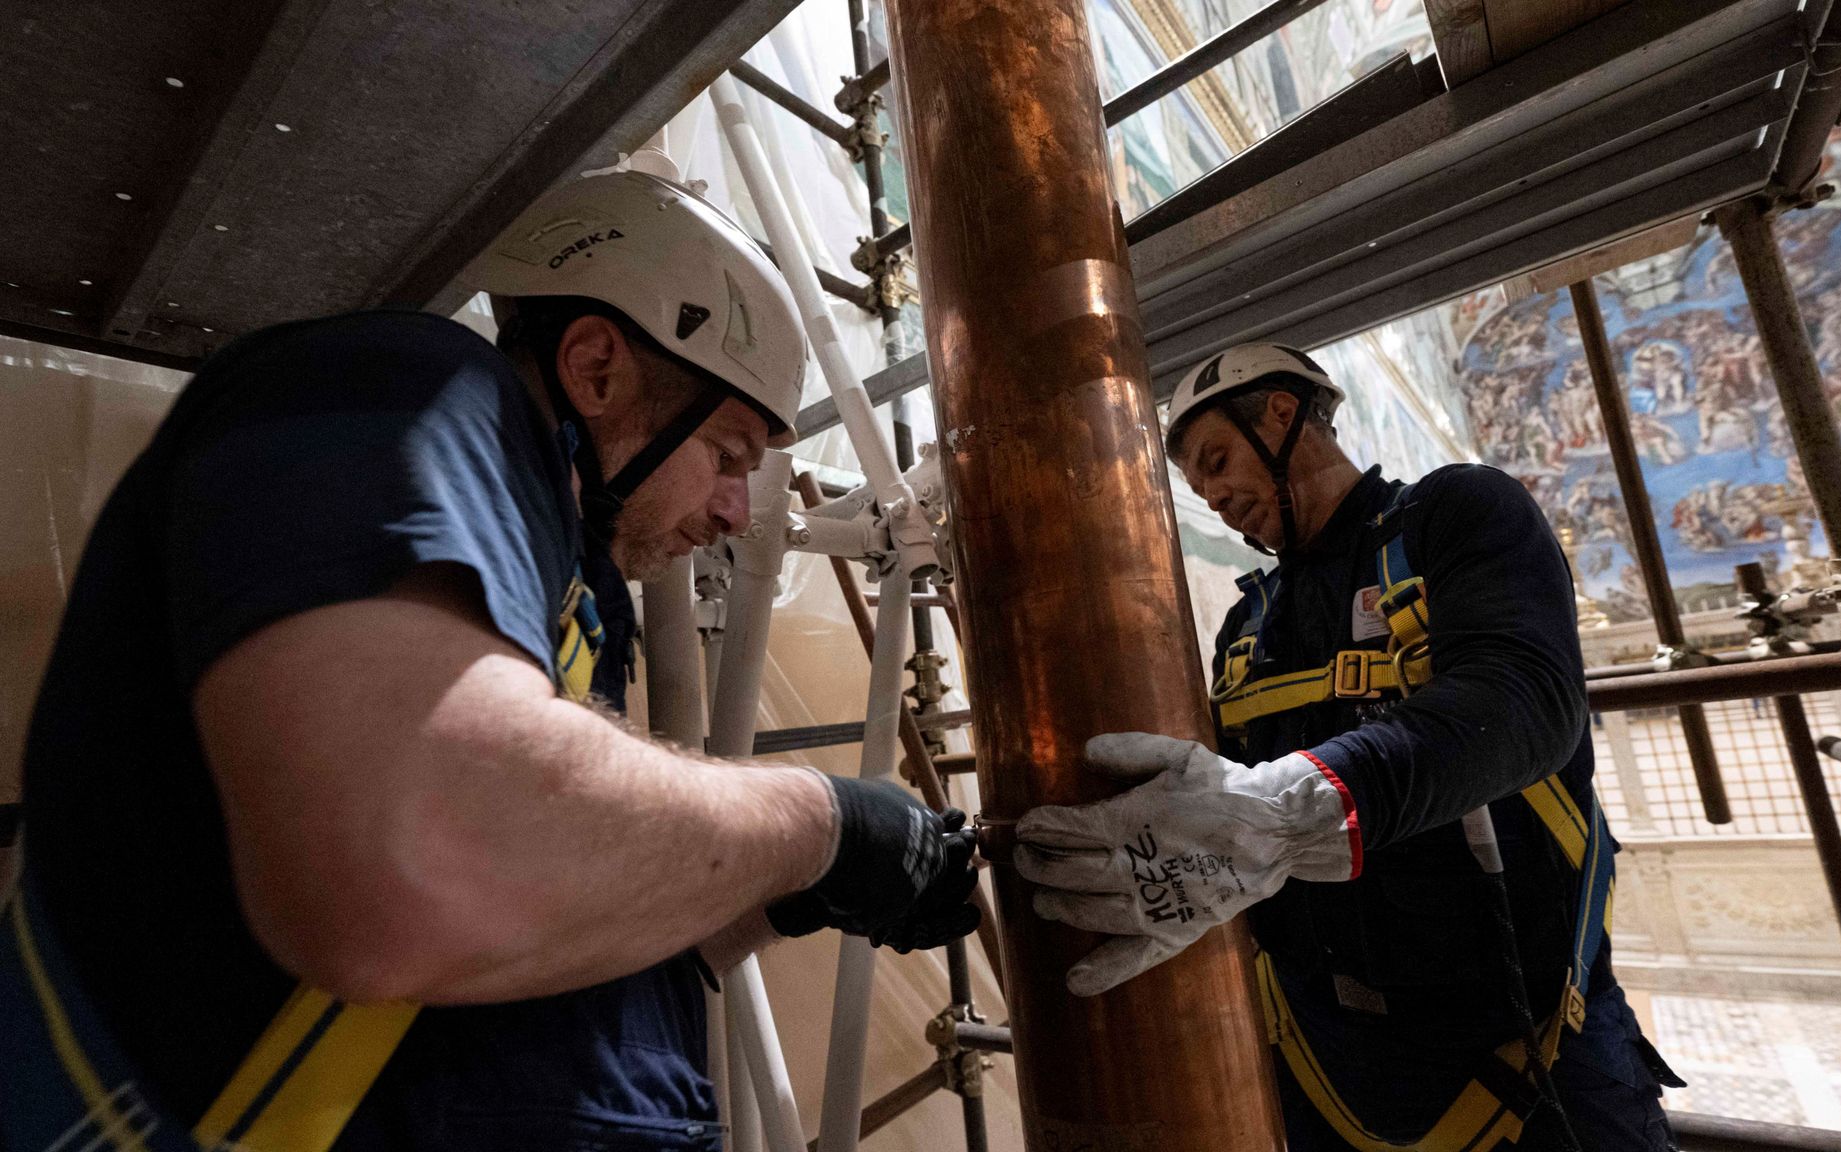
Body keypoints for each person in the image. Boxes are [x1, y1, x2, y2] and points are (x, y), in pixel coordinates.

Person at [2, 166, 979, 1152]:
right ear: (594, 367)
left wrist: (788, 889)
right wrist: (817, 824)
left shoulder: (563, 573)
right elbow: (413, 871)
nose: (733, 512)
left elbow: (548, 905)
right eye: (727, 455)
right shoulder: (403, 389)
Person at [1015, 343, 1680, 1151]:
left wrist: (1294, 806)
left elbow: (1527, 699)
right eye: (1198, 486)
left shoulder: (1455, 516)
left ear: (1283, 415)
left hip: (1530, 1042)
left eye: (1219, 462)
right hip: (1327, 1061)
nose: (1216, 497)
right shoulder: (1246, 630)